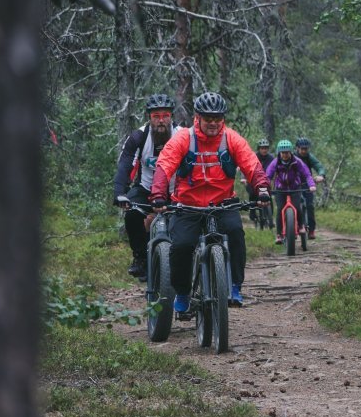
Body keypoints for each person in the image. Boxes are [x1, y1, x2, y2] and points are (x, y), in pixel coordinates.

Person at [150, 92, 269, 313]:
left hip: (223, 204)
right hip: (188, 204)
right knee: (182, 246)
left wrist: (262, 189)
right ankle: (183, 293)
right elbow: (164, 166)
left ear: (223, 118)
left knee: (235, 233)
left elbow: (252, 165)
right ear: (198, 118)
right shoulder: (184, 139)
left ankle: (235, 286)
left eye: (217, 119)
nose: (213, 123)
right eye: (208, 119)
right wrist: (158, 194)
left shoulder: (231, 138)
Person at [112, 94, 180, 281]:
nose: (161, 120)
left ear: (171, 116)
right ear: (149, 117)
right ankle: (141, 257)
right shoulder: (139, 137)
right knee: (132, 214)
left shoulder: (182, 135)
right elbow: (125, 165)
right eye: (156, 116)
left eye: (165, 115)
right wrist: (119, 192)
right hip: (146, 188)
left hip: (175, 191)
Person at [267, 139, 316, 245]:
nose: (285, 155)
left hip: (295, 187)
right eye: (283, 153)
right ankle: (279, 234)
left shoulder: (297, 161)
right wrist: (264, 189)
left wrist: (311, 185)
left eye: (287, 152)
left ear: (291, 152)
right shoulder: (275, 162)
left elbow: (307, 174)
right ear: (279, 152)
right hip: (280, 189)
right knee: (280, 209)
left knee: (297, 206)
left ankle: (301, 226)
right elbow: (267, 176)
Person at [294, 137, 325, 239]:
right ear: (297, 148)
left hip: (307, 184)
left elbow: (318, 166)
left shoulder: (309, 157)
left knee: (309, 205)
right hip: (293, 184)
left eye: (306, 149)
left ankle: (311, 230)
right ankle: (290, 228)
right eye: (302, 149)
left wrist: (321, 175)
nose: (304, 151)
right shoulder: (291, 157)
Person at [243, 139, 275, 226]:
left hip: (266, 182)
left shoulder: (271, 158)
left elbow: (275, 168)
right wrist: (244, 178)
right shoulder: (253, 157)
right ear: (259, 149)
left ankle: (270, 217)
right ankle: (252, 214)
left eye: (266, 148)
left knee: (269, 197)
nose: (264, 150)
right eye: (262, 148)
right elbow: (245, 167)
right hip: (253, 181)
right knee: (252, 195)